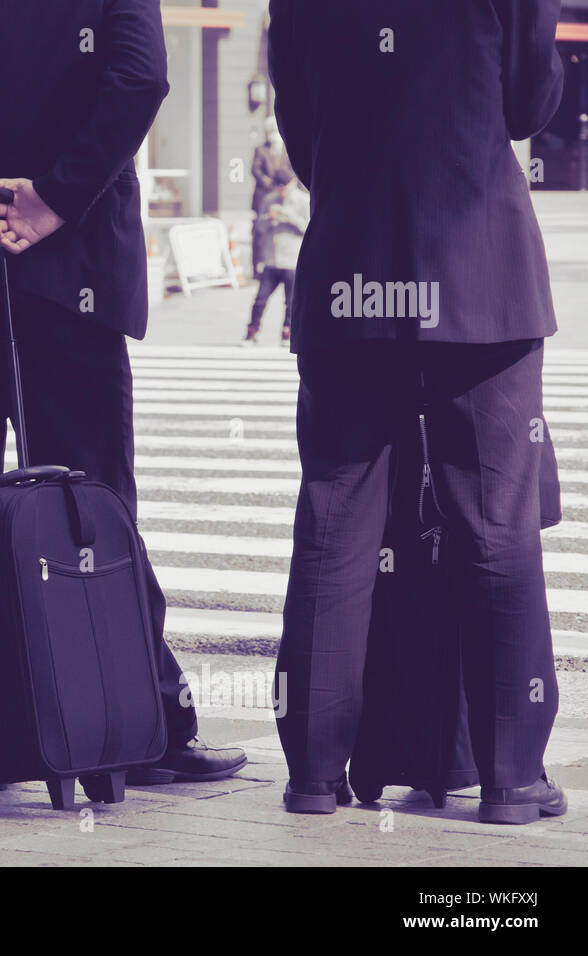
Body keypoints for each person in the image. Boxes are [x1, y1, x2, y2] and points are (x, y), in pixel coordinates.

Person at [0, 0, 246, 785]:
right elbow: (139, 78)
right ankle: (129, 721)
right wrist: (56, 199)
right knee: (88, 502)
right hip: (69, 273)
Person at [269, 0, 566, 822]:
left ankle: (314, 774)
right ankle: (509, 776)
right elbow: (528, 103)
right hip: (479, 273)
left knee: (333, 522)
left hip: (349, 267)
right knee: (496, 522)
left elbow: (301, 126)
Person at [244, 178, 308, 344]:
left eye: (284, 186)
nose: (282, 191)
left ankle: (288, 331)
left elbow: (309, 227)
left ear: (292, 183)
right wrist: (270, 218)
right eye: (278, 187)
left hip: (292, 259)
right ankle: (252, 331)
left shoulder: (303, 200)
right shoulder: (269, 200)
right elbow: (259, 228)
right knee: (260, 299)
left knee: (291, 301)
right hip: (271, 258)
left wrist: (288, 215)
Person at [250, 116, 295, 281]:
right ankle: (257, 267)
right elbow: (255, 170)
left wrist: (286, 184)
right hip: (264, 195)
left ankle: (281, 264)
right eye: (269, 132)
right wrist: (268, 182)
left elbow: (291, 171)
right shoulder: (260, 150)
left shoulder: (286, 149)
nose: (272, 135)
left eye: (274, 131)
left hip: (283, 195)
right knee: (259, 231)